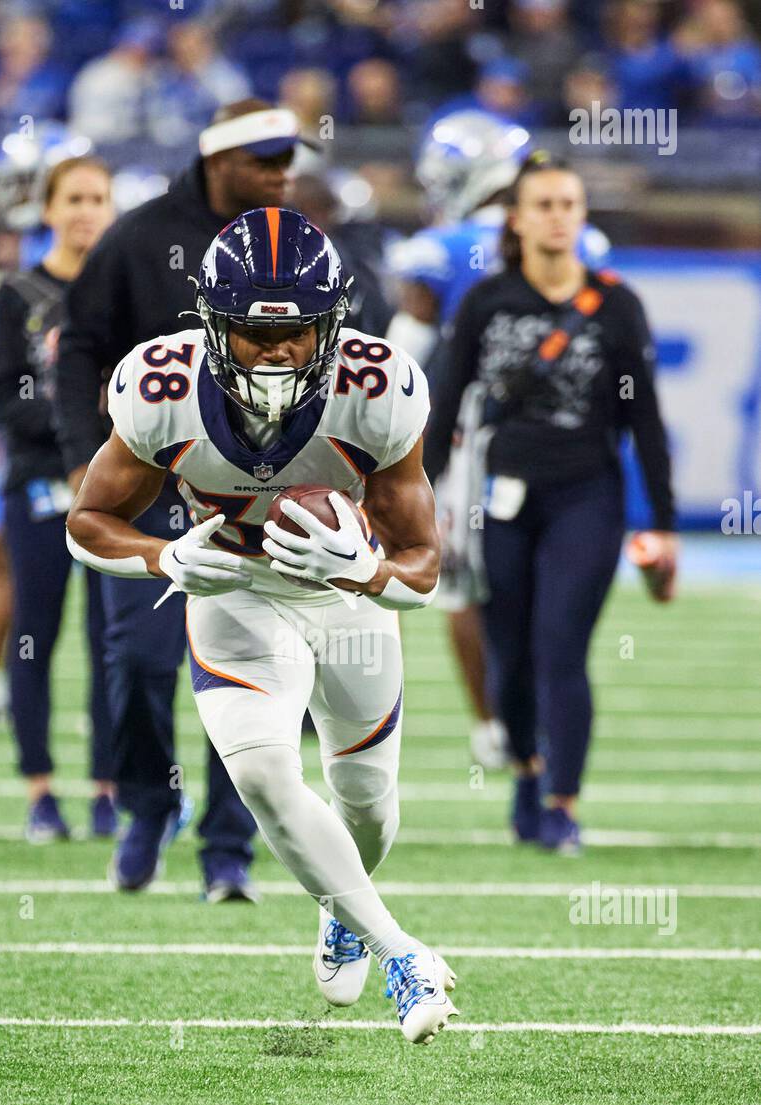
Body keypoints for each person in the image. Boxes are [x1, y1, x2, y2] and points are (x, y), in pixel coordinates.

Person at [66, 206, 457, 1046]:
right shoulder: (159, 389)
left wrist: (365, 572)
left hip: (346, 602)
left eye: (296, 333)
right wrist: (162, 560)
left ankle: (343, 911)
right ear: (211, 325)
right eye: (251, 333)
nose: (277, 352)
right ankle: (405, 954)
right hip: (234, 587)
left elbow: (425, 564)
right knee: (266, 779)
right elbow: (87, 520)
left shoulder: (379, 389)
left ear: (332, 326)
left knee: (369, 810)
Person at [55, 100, 298, 899]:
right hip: (153, 482)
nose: (278, 174)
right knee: (140, 659)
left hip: (261, 486)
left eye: (284, 159)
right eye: (262, 160)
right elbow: (79, 342)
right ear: (215, 158)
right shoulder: (140, 236)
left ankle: (229, 845)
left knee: (259, 670)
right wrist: (76, 458)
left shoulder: (298, 241)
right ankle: (148, 805)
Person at [425, 153, 678, 853]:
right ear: (516, 217)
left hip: (587, 496)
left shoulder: (616, 303)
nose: (558, 216)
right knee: (507, 650)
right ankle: (527, 774)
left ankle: (562, 803)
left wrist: (662, 521)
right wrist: (417, 500)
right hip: (502, 498)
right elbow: (446, 407)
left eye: (569, 204)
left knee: (560, 645)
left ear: (582, 215)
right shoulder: (486, 301)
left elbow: (645, 420)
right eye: (543, 205)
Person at [386, 109, 611, 772]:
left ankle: (496, 728)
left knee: (472, 590)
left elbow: (401, 360)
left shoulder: (441, 251)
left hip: (474, 451)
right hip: (569, 448)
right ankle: (539, 738)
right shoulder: (584, 242)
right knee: (551, 602)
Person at [0, 154, 116, 842]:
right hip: (38, 486)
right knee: (33, 636)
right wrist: (80, 421)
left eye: (98, 197)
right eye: (74, 198)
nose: (87, 210)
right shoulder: (19, 294)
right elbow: (6, 399)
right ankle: (40, 790)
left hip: (113, 490)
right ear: (49, 209)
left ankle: (106, 788)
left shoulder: (122, 287)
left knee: (112, 644)